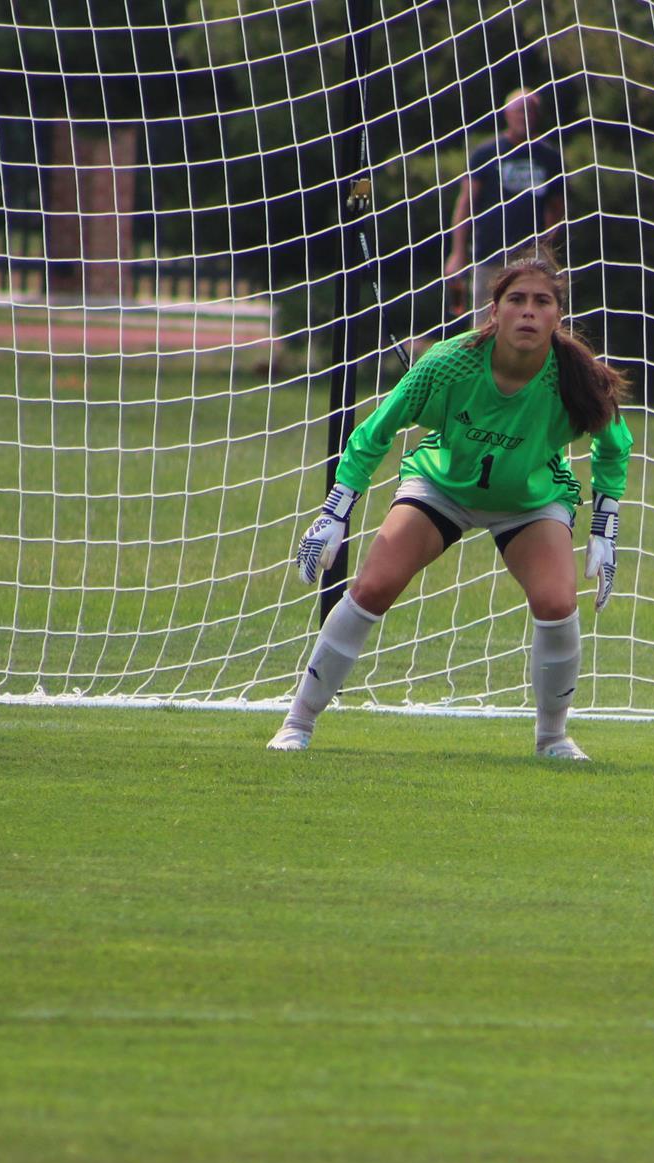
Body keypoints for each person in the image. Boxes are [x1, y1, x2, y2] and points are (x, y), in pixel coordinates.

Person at [268, 253, 630, 760]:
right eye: (517, 299)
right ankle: (297, 722)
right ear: (495, 311)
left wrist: (604, 529)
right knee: (372, 587)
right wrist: (335, 511)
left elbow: (614, 447)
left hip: (530, 501)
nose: (529, 310)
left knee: (556, 603)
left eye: (542, 301)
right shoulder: (449, 361)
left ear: (558, 316)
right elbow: (376, 431)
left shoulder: (578, 378)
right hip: (441, 486)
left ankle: (553, 738)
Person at [445, 89, 565, 322]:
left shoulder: (549, 157)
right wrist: (457, 252)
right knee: (484, 323)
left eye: (530, 111)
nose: (525, 116)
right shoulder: (486, 154)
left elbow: (557, 207)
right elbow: (465, 203)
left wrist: (548, 247)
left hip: (531, 256)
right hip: (489, 254)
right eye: (519, 111)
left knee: (534, 318)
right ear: (507, 114)